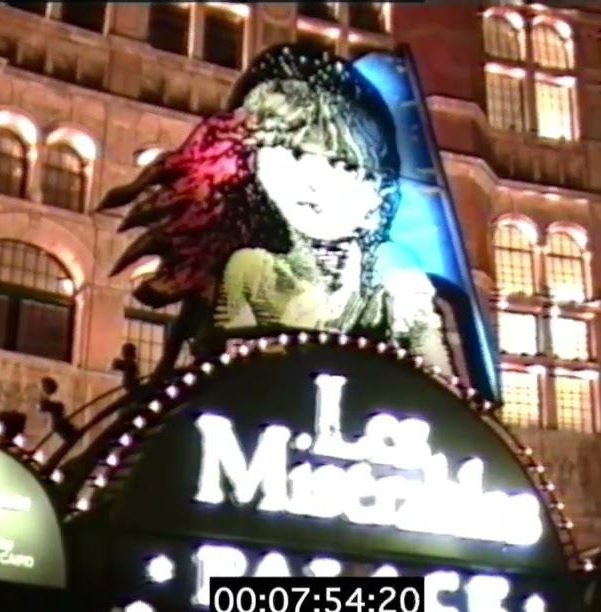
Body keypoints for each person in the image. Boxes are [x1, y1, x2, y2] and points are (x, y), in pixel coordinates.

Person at [99, 44, 453, 380]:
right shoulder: (250, 271)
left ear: (379, 194)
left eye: (341, 163)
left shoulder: (393, 271)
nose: (311, 180)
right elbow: (229, 375)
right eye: (289, 154)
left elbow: (438, 377)